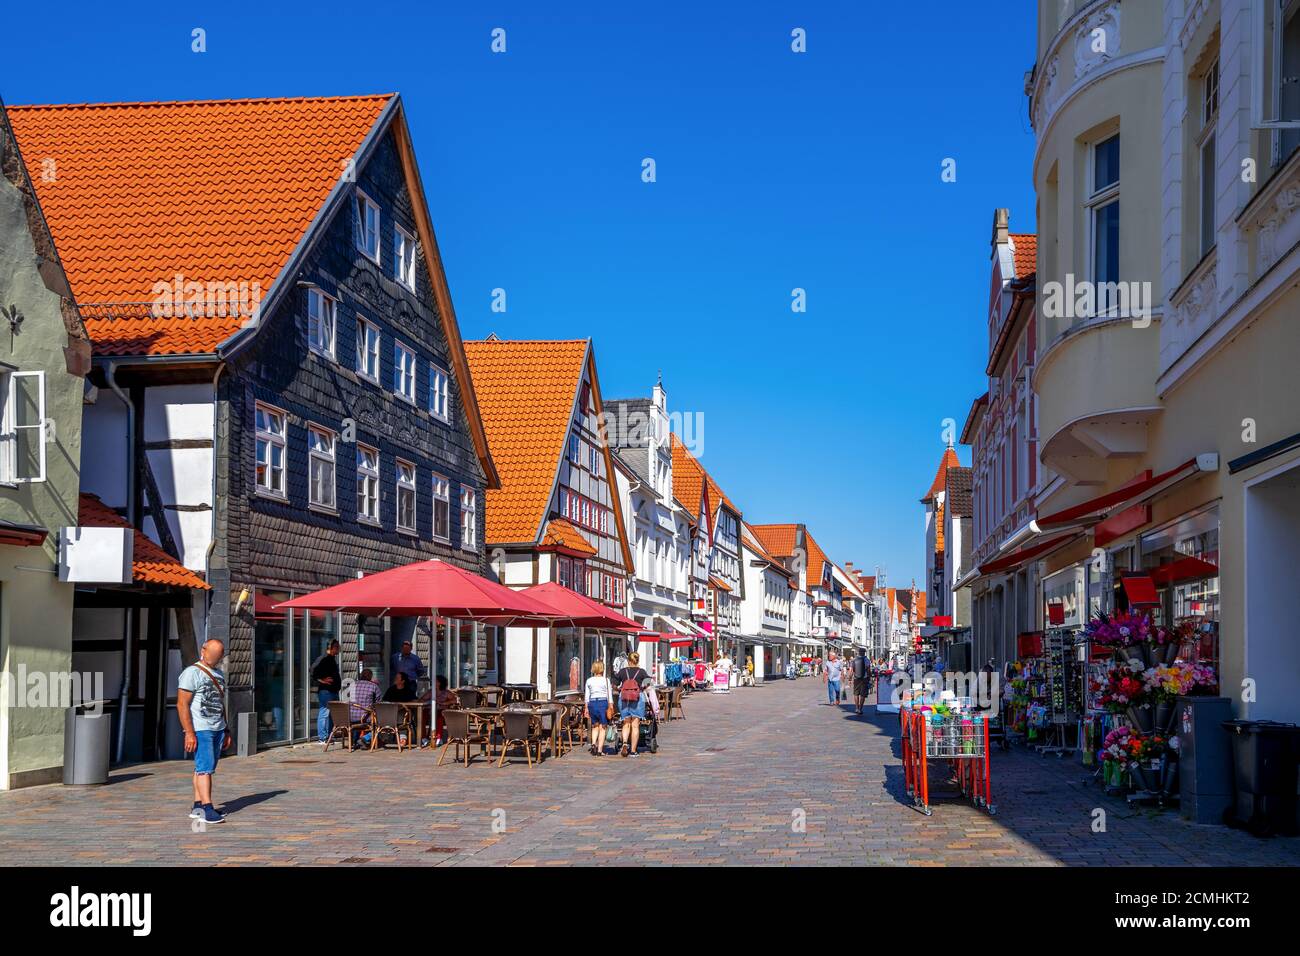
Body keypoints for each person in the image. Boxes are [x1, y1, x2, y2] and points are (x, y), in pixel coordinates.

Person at [177, 638, 231, 825]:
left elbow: (220, 703)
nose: (214, 657)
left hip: (217, 726)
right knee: (205, 769)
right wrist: (189, 732)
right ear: (203, 650)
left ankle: (198, 805)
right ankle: (207, 808)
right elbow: (182, 704)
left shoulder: (218, 674)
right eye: (212, 653)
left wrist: (227, 728)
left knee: (203, 767)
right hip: (201, 728)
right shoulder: (191, 673)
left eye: (218, 654)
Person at [612, 651, 649, 756]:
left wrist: (619, 690)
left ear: (628, 661)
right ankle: (633, 751)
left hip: (624, 698)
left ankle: (624, 744)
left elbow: (614, 683)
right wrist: (642, 688)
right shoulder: (641, 672)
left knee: (626, 723)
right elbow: (648, 683)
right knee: (635, 725)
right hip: (638, 698)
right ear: (637, 660)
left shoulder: (623, 671)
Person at [311, 639, 341, 742]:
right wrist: (321, 680)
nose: (339, 649)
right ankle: (322, 737)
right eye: (337, 647)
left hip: (334, 691)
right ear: (331, 648)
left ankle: (329, 736)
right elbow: (312, 671)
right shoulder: (323, 658)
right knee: (324, 712)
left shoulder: (332, 659)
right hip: (326, 691)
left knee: (332, 714)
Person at [585, 660, 612, 756]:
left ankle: (593, 744)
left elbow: (587, 696)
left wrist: (586, 708)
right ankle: (600, 750)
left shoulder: (589, 680)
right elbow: (609, 695)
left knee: (595, 726)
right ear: (602, 669)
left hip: (592, 703)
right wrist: (611, 705)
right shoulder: (606, 680)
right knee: (603, 727)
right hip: (602, 703)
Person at [851, 649, 870, 715]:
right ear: (864, 653)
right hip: (864, 679)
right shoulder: (866, 660)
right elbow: (868, 669)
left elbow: (852, 670)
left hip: (856, 679)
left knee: (856, 693)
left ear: (859, 652)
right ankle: (860, 709)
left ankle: (856, 707)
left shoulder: (854, 659)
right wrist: (869, 677)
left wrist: (850, 678)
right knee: (862, 694)